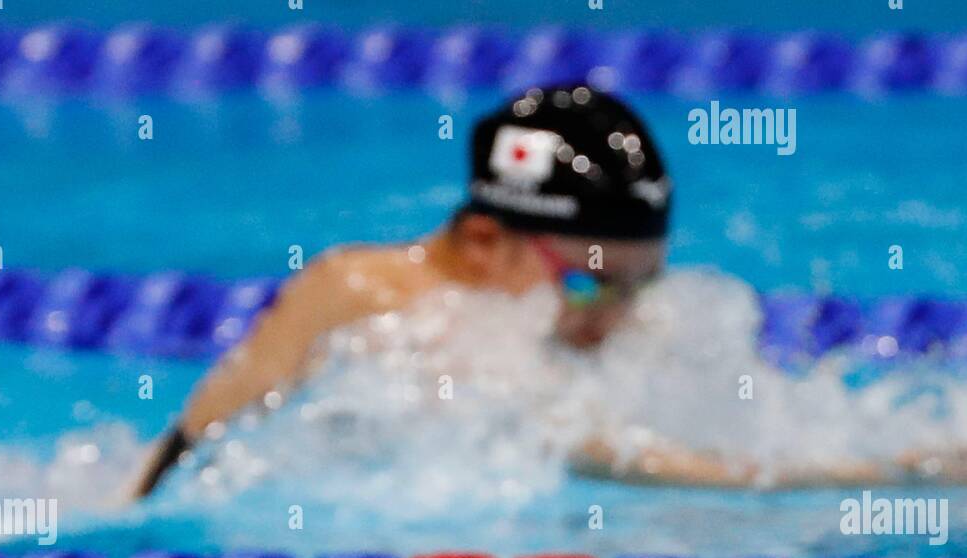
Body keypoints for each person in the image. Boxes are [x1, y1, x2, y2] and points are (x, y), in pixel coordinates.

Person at [130, 84, 670, 498]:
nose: (617, 316)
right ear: (483, 241)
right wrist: (744, 480)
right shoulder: (364, 292)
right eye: (589, 284)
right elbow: (202, 442)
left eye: (639, 285)